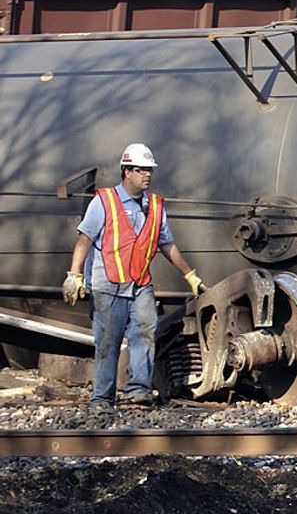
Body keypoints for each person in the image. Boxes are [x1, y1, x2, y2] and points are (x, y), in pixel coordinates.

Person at [61, 143, 206, 410]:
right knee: (108, 341)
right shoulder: (104, 202)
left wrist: (190, 275)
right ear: (127, 171)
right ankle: (102, 398)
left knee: (145, 333)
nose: (147, 174)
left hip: (140, 284)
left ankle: (138, 391)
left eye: (150, 170)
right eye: (141, 170)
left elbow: (167, 245)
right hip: (108, 285)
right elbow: (84, 240)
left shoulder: (155, 206)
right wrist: (74, 274)